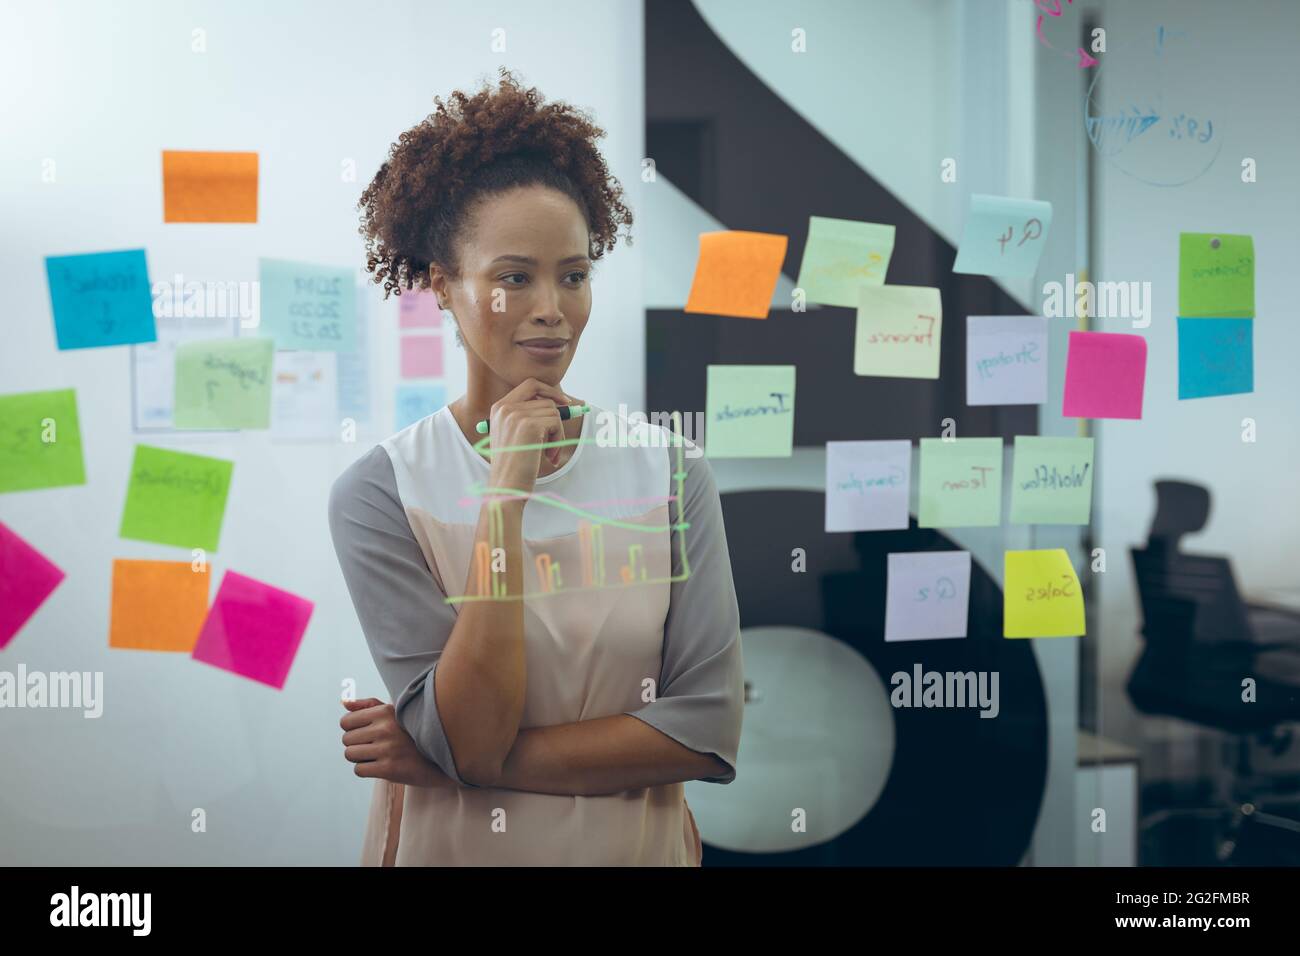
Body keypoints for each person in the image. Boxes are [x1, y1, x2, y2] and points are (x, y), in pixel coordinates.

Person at [327, 68, 744, 866]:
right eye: (514, 277)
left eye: (575, 275)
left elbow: (704, 732)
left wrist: (452, 761)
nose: (552, 306)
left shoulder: (669, 474)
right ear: (444, 290)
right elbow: (473, 729)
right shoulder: (380, 494)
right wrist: (503, 495)